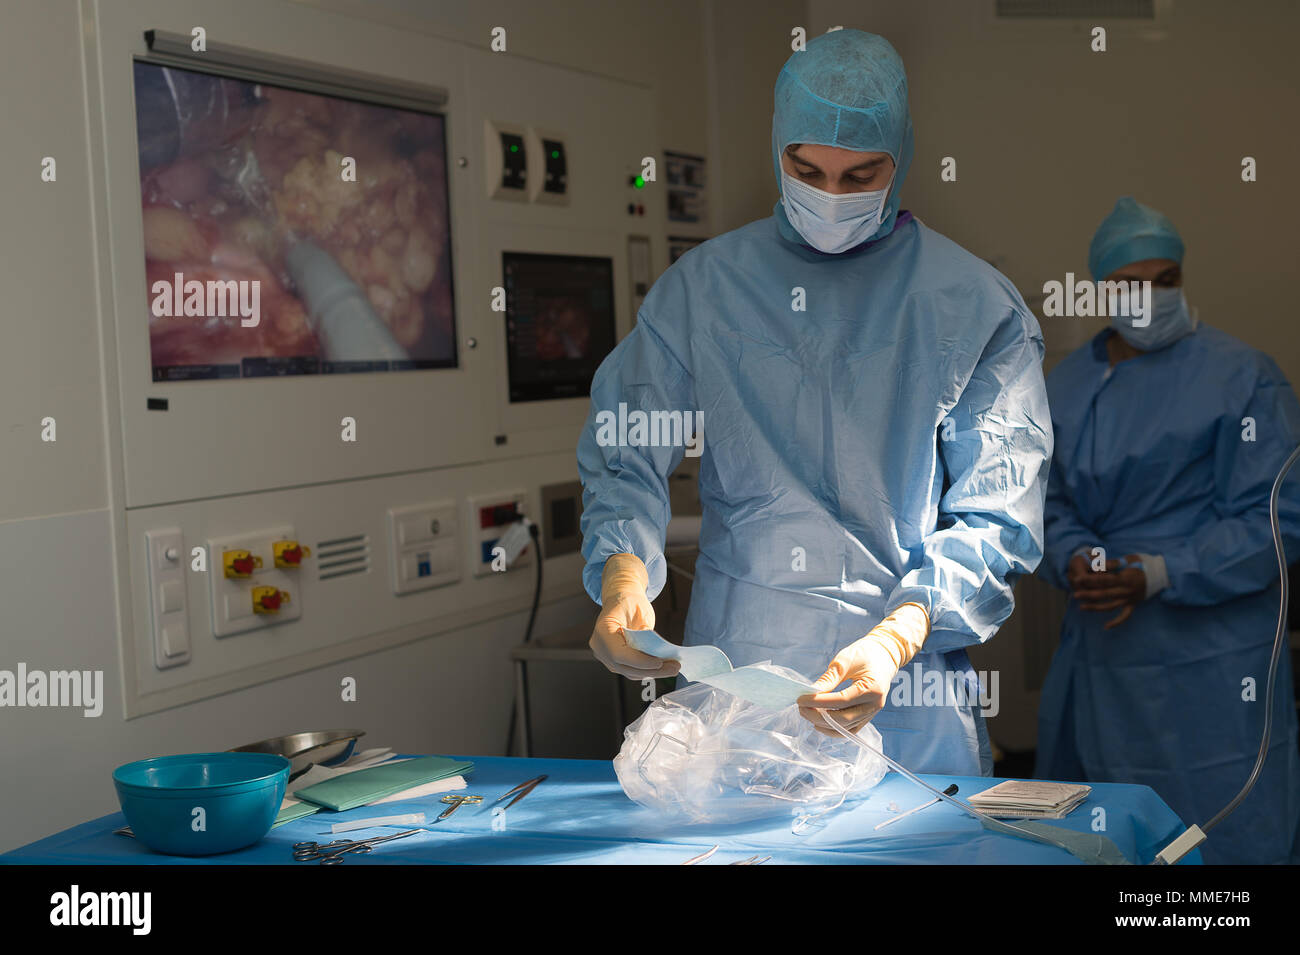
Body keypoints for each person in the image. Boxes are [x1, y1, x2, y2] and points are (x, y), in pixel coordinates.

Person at [576, 29, 1052, 777]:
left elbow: (998, 516)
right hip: (736, 684)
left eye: (861, 174)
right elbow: (628, 441)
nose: (832, 196)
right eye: (808, 170)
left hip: (903, 688)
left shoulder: (972, 306)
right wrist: (622, 574)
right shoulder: (704, 292)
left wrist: (894, 638)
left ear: (902, 159)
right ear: (777, 149)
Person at [1036, 196, 1300, 864]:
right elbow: (1045, 501)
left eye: (1166, 280)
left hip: (1211, 659)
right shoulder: (1065, 385)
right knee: (1112, 828)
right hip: (1106, 657)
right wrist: (1074, 558)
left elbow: (1278, 519)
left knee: (1226, 827)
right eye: (1130, 283)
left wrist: (1159, 571)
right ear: (1100, 290)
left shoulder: (1243, 378)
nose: (1150, 296)